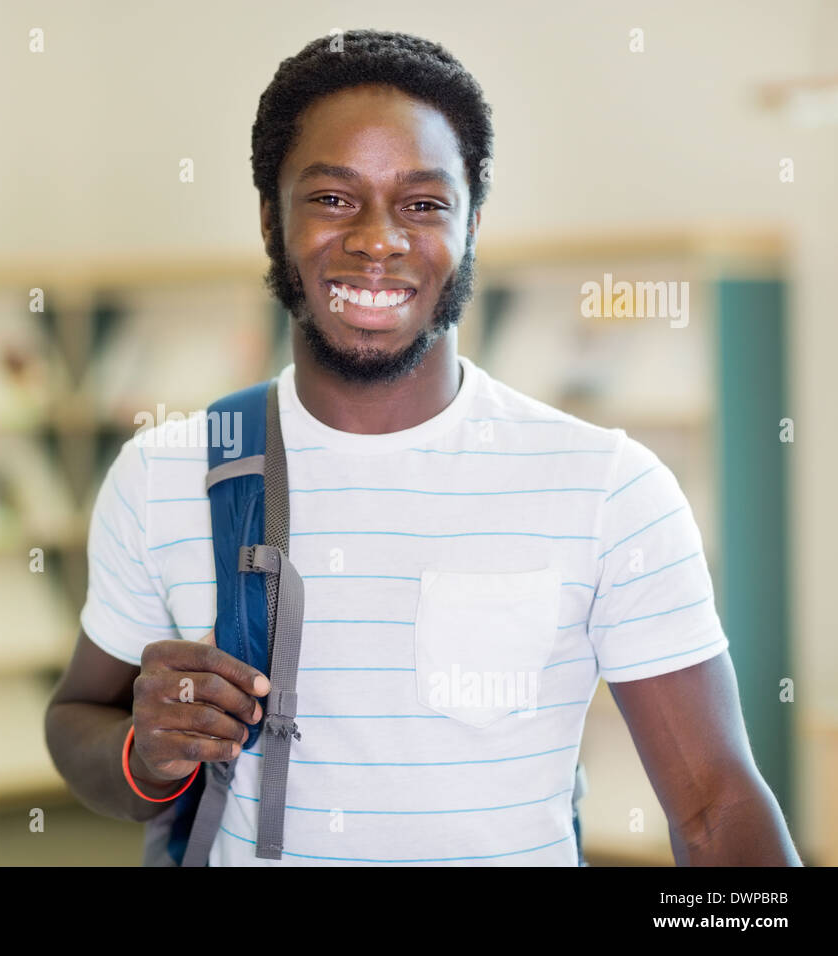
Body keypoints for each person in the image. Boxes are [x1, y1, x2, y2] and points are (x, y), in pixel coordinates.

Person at [44, 29, 800, 866]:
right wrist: (147, 756)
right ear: (271, 219)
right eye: (333, 198)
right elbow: (78, 720)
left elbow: (714, 809)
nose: (377, 240)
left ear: (472, 225)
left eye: (423, 203)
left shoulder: (608, 488)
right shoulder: (167, 475)